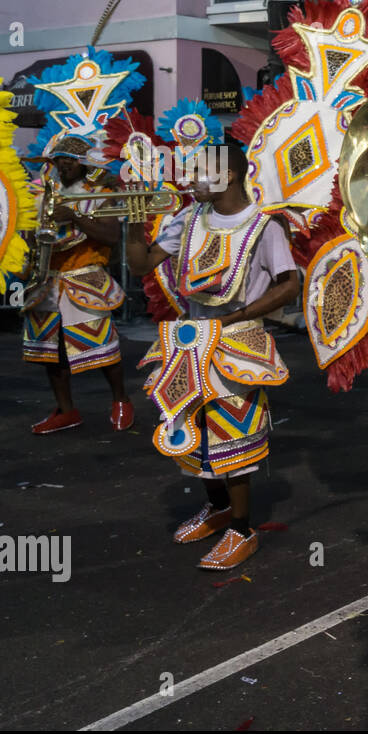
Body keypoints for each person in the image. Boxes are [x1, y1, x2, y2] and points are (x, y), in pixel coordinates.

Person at [126, 137, 299, 571]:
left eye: (202, 171)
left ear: (231, 174)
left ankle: (242, 529)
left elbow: (289, 284)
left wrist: (237, 315)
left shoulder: (264, 226)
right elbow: (142, 264)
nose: (191, 179)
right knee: (190, 428)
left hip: (238, 340)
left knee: (231, 434)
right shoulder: (189, 218)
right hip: (190, 338)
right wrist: (131, 221)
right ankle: (218, 507)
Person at [23, 133, 134, 435]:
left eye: (70, 160)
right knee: (52, 352)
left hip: (86, 279)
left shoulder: (102, 192)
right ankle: (66, 410)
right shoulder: (43, 191)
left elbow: (111, 237)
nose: (63, 165)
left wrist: (73, 216)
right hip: (48, 280)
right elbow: (32, 235)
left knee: (103, 349)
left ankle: (121, 401)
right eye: (59, 159)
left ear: (84, 163)